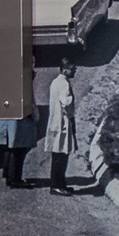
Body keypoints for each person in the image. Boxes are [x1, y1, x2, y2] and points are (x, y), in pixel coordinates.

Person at [46, 60, 79, 194]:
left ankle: (61, 184)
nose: (74, 72)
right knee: (61, 157)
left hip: (55, 121)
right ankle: (56, 186)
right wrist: (71, 116)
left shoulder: (55, 82)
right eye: (72, 69)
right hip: (62, 122)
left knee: (58, 155)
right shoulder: (64, 84)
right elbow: (67, 103)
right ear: (64, 69)